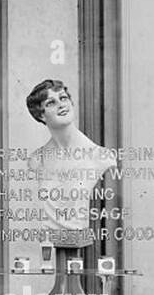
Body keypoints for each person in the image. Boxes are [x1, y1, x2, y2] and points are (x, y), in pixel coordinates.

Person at [25, 79, 116, 242]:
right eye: (51, 103)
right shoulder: (37, 160)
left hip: (78, 239)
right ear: (41, 115)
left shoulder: (100, 156)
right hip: (50, 242)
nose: (61, 105)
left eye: (63, 98)